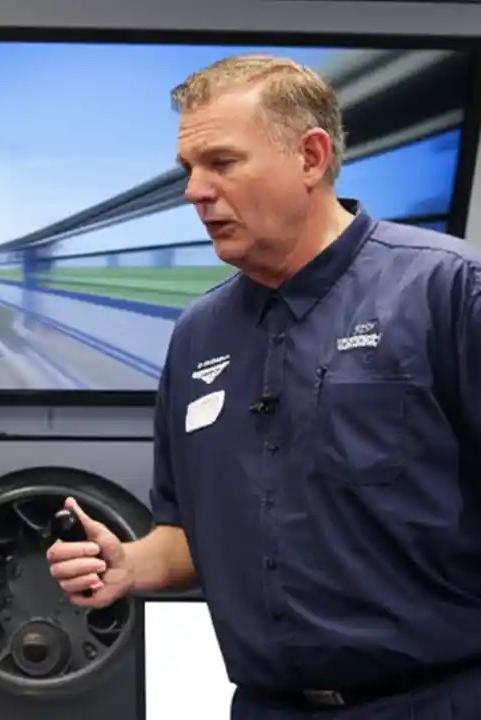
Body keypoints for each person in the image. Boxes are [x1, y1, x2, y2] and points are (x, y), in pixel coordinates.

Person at [48, 53, 481, 718]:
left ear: (310, 158)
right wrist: (130, 566)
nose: (194, 190)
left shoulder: (447, 291)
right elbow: (192, 534)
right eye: (188, 171)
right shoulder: (197, 335)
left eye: (221, 163)